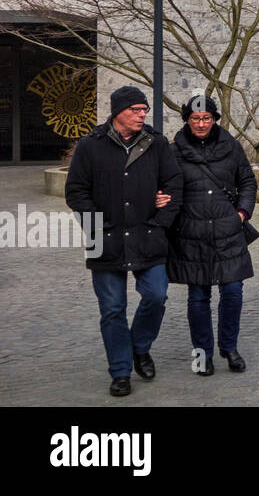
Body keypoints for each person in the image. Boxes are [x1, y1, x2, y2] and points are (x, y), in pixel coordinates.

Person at [65, 85, 183, 398]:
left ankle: (140, 347)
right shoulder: (90, 145)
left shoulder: (156, 143)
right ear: (118, 112)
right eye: (135, 110)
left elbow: (174, 183)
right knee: (113, 309)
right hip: (105, 239)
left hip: (148, 234)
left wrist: (162, 219)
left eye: (144, 110)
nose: (142, 115)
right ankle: (120, 372)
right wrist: (96, 225)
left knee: (157, 296)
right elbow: (75, 191)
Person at [166, 94, 257, 376]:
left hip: (227, 232)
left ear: (215, 119)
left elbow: (247, 182)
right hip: (191, 234)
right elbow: (164, 185)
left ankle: (229, 348)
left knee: (232, 292)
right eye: (195, 118)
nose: (201, 123)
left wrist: (241, 214)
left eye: (207, 118)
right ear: (186, 120)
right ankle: (202, 354)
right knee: (198, 296)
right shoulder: (174, 151)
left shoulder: (231, 146)